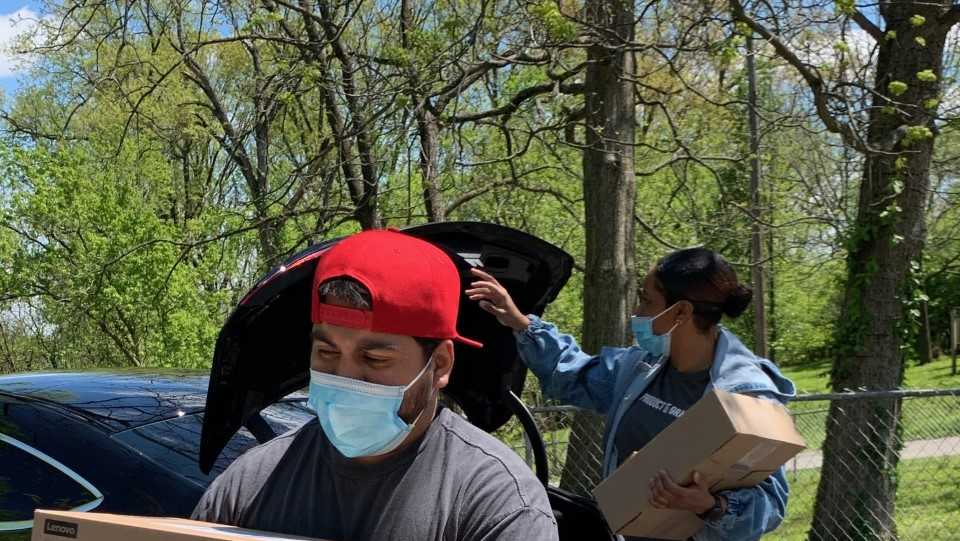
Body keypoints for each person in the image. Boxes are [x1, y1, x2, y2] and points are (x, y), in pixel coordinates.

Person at [193, 229, 559, 541]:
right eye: (327, 352)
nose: (344, 377)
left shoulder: (498, 505)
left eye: (375, 359)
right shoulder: (248, 487)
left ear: (440, 365)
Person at [467, 247, 795, 541]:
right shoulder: (641, 368)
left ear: (681, 313)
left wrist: (711, 505)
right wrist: (521, 323)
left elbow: (771, 505)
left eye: (646, 300)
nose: (636, 312)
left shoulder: (747, 398)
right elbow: (575, 375)